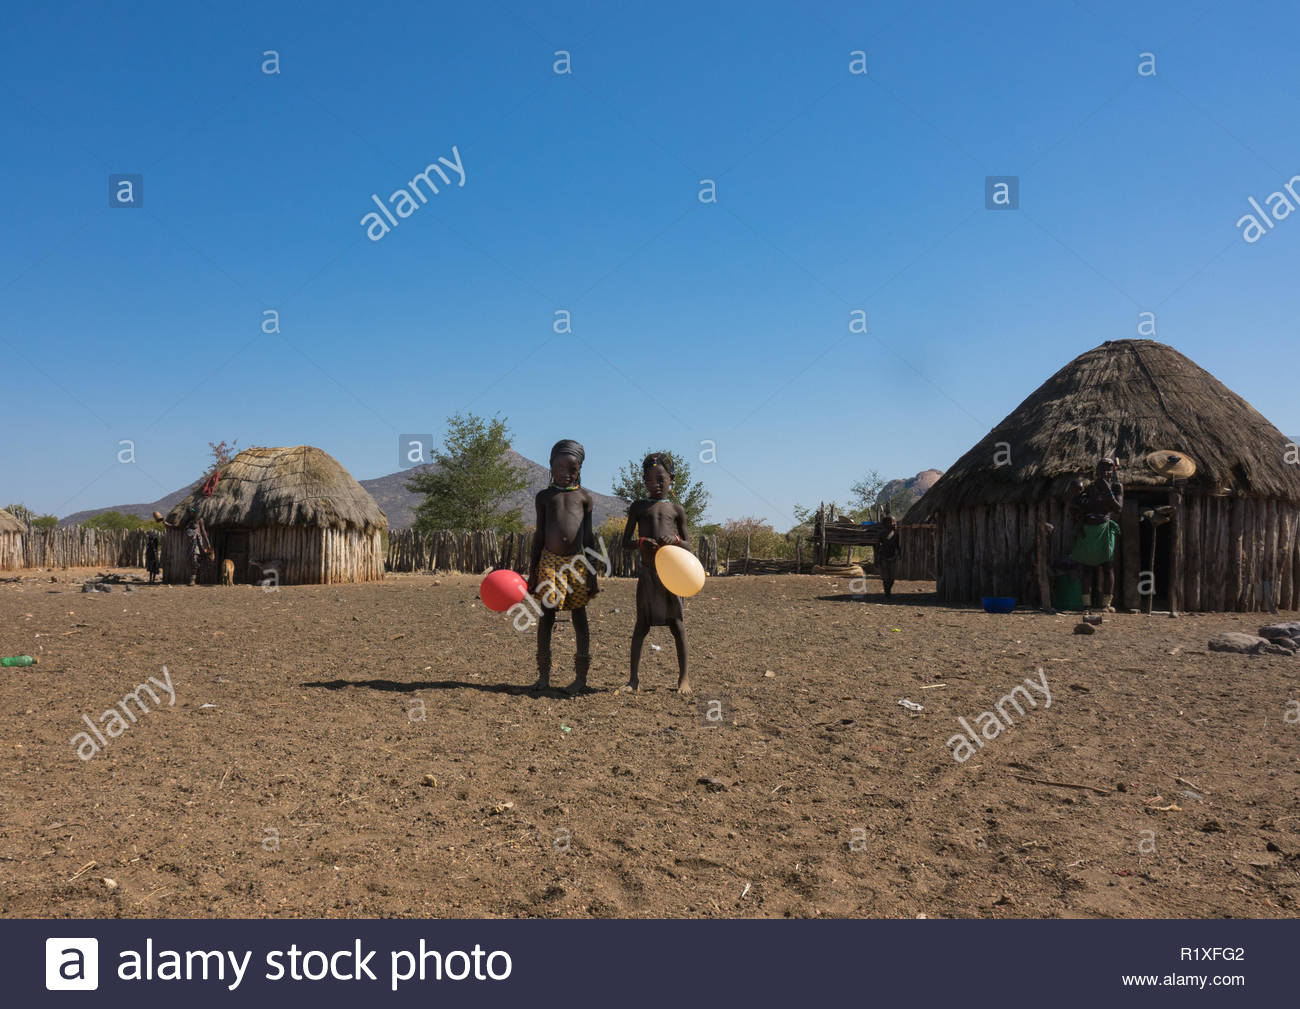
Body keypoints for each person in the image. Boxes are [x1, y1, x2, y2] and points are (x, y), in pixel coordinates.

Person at [528, 440, 599, 693]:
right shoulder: (545, 498)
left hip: (577, 565)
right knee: (547, 616)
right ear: (550, 465)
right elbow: (539, 535)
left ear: (580, 468)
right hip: (549, 562)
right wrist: (532, 572)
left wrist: (592, 573)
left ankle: (581, 678)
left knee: (580, 617)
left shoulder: (584, 498)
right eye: (560, 467)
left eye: (573, 468)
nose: (566, 472)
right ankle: (544, 675)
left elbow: (589, 539)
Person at [621, 453, 691, 694]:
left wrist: (676, 540)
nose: (656, 484)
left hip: (671, 576)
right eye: (650, 480)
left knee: (678, 626)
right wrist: (640, 542)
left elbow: (688, 545)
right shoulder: (638, 507)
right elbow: (624, 542)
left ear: (671, 479)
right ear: (644, 481)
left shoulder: (676, 509)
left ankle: (684, 679)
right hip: (648, 574)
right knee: (641, 626)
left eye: (661, 479)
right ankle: (633, 680)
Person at [1070, 458, 1123, 610]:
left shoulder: (1116, 487)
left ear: (1113, 471)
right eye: (1101, 469)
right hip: (1088, 529)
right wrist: (1078, 495)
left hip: (1104, 528)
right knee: (1086, 568)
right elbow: (1077, 504)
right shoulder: (1090, 488)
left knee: (1108, 566)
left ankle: (1106, 605)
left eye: (1108, 469)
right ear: (1097, 471)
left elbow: (1118, 508)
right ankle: (1086, 604)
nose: (1104, 472)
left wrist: (1107, 491)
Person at [156, 506, 213, 585]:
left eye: (192, 512)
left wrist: (208, 544)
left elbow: (203, 532)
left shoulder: (200, 520)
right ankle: (193, 578)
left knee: (196, 559)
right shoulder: (187, 521)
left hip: (198, 543)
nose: (190, 514)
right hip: (190, 543)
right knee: (191, 560)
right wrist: (165, 523)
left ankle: (193, 579)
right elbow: (178, 528)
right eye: (189, 512)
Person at [875, 514, 902, 600]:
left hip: (893, 558)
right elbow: (877, 547)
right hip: (883, 558)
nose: (894, 524)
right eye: (892, 522)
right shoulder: (881, 534)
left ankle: (888, 591)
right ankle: (887, 593)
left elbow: (898, 546)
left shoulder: (896, 535)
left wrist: (900, 555)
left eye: (894, 522)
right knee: (885, 577)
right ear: (886, 524)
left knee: (892, 577)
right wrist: (876, 558)